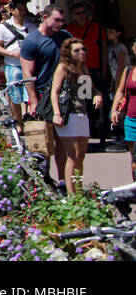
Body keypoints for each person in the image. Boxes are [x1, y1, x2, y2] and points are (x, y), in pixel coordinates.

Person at [21, 3, 69, 186]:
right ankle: (43, 181)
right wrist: (33, 100)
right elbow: (28, 73)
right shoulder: (32, 41)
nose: (61, 24)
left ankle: (64, 181)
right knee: (43, 142)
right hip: (42, 96)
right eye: (57, 20)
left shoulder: (64, 37)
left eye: (63, 21)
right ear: (45, 18)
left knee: (62, 141)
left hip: (63, 96)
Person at [51, 37, 104, 195]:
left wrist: (97, 96)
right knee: (72, 155)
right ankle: (71, 194)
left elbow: (90, 91)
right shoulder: (63, 67)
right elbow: (54, 92)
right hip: (67, 115)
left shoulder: (83, 68)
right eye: (77, 50)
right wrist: (56, 113)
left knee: (80, 155)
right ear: (69, 53)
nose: (82, 53)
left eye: (83, 49)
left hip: (82, 114)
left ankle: (78, 190)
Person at [65, 3, 106, 141]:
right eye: (78, 13)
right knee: (84, 100)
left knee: (96, 98)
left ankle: (98, 129)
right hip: (80, 71)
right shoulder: (69, 29)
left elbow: (104, 49)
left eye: (83, 12)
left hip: (94, 68)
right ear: (72, 15)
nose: (81, 15)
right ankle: (87, 128)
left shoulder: (96, 27)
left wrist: (104, 69)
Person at [0, 0, 36, 125]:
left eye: (24, 9)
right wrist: (12, 53)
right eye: (20, 9)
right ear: (12, 10)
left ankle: (29, 120)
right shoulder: (3, 27)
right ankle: (18, 123)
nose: (23, 12)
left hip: (29, 66)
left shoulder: (31, 27)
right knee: (15, 96)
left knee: (29, 95)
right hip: (13, 65)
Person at [109, 48, 136, 183]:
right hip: (131, 120)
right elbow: (120, 91)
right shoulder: (129, 70)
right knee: (134, 158)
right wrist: (114, 110)